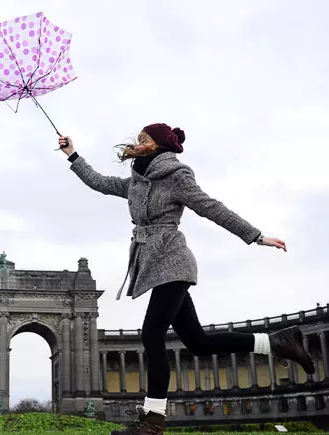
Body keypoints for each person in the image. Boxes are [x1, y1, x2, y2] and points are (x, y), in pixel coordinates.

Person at [57, 124, 315, 435]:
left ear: (158, 146)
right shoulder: (137, 181)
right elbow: (100, 182)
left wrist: (256, 236)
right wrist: (73, 155)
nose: (137, 143)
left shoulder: (177, 176)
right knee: (197, 342)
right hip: (153, 264)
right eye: (137, 139)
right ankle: (275, 342)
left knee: (151, 334)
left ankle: (152, 421)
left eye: (144, 139)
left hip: (173, 261)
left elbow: (211, 208)